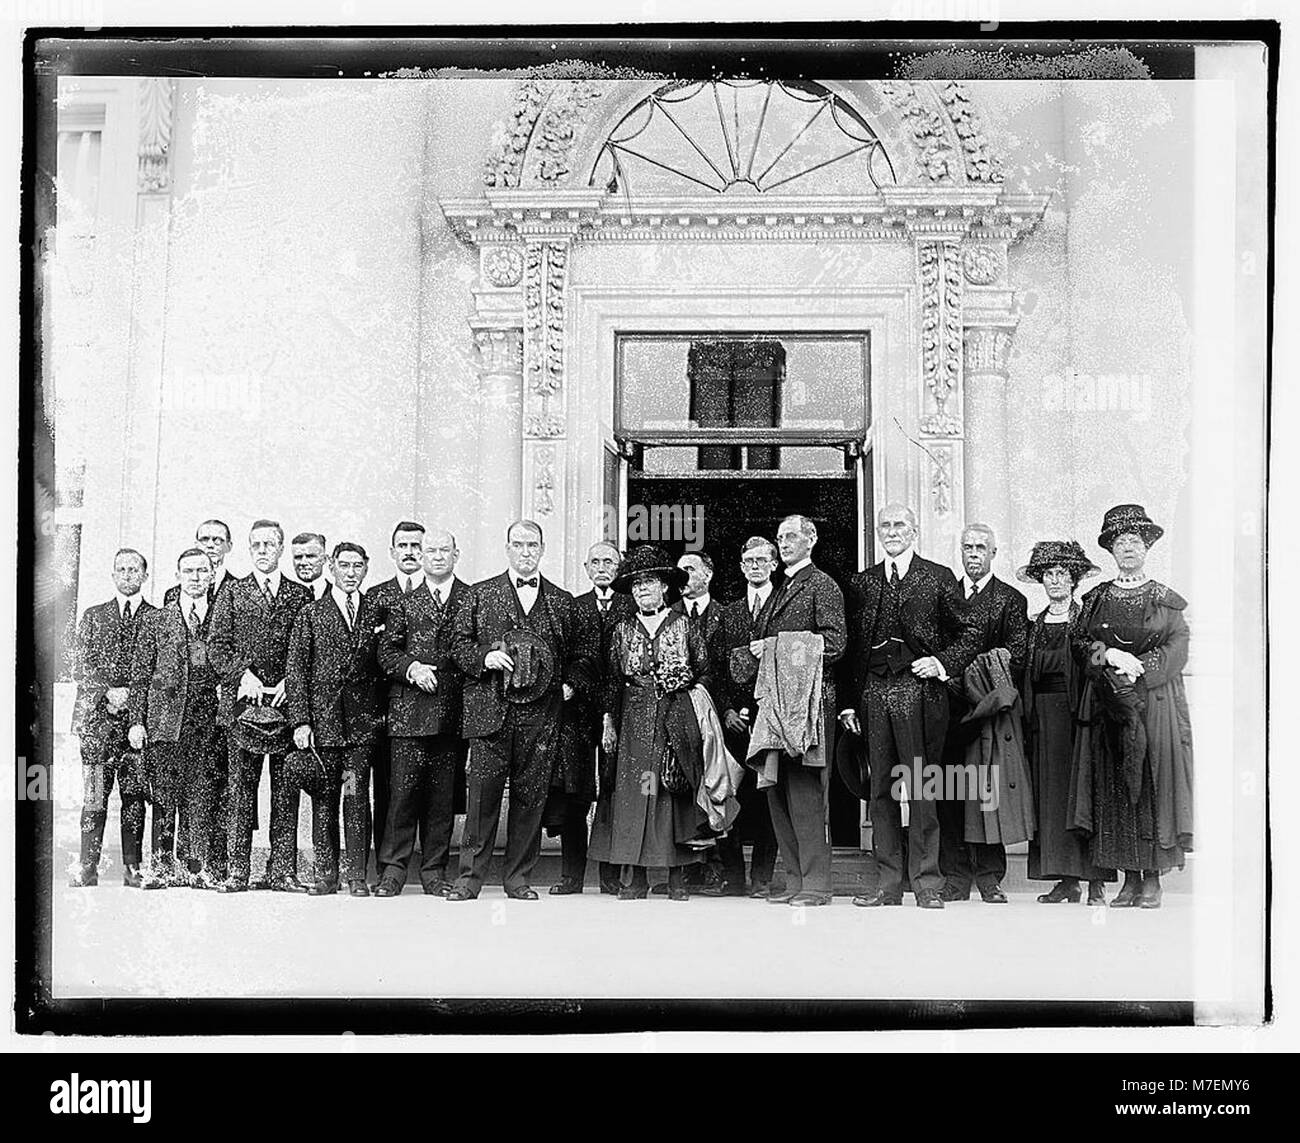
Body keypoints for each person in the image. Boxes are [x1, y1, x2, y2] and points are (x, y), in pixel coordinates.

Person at [841, 504, 979, 909]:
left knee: (922, 788)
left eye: (899, 524)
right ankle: (887, 885)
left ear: (914, 531)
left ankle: (927, 885)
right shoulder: (863, 583)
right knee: (879, 789)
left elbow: (970, 631)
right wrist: (849, 703)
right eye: (884, 524)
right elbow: (851, 649)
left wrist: (941, 663)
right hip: (873, 696)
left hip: (921, 694)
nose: (891, 531)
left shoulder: (937, 578)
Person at [447, 520, 585, 901]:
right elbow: (457, 645)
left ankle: (518, 879)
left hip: (541, 717)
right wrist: (484, 656)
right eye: (519, 545)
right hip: (490, 713)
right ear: (507, 548)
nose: (526, 552)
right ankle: (469, 880)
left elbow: (580, 656)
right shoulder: (479, 595)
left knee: (530, 798)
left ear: (542, 549)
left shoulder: (561, 600)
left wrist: (570, 684)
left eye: (533, 546)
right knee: (481, 799)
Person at [1070, 505, 1194, 909]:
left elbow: (1179, 643)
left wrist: (1145, 666)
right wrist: (1108, 656)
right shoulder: (1098, 598)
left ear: (1147, 547)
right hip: (1109, 704)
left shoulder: (1163, 598)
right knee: (1115, 784)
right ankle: (1128, 878)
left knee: (1151, 783)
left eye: (1134, 542)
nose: (1128, 548)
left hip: (1153, 704)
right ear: (1111, 550)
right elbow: (1078, 643)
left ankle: (1153, 879)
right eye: (1120, 542)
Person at [589, 545, 713, 901]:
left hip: (673, 717)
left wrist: (687, 695)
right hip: (632, 719)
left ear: (664, 587)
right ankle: (637, 879)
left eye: (651, 582)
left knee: (670, 791)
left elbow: (705, 672)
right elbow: (611, 680)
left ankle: (676, 879)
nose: (643, 589)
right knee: (636, 794)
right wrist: (608, 723)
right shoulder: (622, 629)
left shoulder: (683, 625)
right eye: (638, 584)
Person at [208, 519, 311, 892]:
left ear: (281, 549)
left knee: (285, 792)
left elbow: (305, 649)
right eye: (257, 545)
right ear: (249, 549)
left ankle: (282, 870)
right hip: (242, 710)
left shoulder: (299, 596)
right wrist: (242, 675)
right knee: (240, 790)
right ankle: (238, 871)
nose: (263, 551)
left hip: (285, 707)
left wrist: (289, 681)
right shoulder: (232, 593)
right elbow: (216, 645)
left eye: (270, 544)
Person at [748, 515, 846, 907]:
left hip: (809, 706)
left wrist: (775, 645)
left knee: (805, 796)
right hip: (777, 707)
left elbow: (835, 643)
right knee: (778, 795)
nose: (783, 542)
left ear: (812, 539)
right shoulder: (781, 588)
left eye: (791, 536)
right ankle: (794, 881)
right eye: (780, 537)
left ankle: (817, 885)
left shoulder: (822, 584)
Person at [286, 542, 387, 897]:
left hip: (361, 731)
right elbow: (296, 671)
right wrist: (301, 721)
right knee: (325, 801)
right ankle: (326, 875)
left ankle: (357, 876)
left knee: (356, 798)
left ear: (366, 568)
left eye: (357, 566)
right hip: (324, 729)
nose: (350, 572)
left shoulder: (377, 612)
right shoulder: (311, 615)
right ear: (331, 567)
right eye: (343, 565)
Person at [1016, 539, 1113, 905]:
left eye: (1062, 574)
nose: (1055, 581)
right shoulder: (1035, 625)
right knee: (1050, 800)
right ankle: (1065, 881)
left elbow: (1100, 660)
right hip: (1042, 720)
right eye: (1049, 575)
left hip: (1080, 720)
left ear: (1074, 580)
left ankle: (1095, 883)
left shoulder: (1087, 622)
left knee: (1083, 795)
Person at [938, 523, 1030, 904]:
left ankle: (990, 876)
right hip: (949, 708)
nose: (973, 553)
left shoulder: (1010, 599)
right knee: (947, 789)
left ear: (994, 553)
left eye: (980, 547)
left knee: (987, 792)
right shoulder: (944, 596)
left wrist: (978, 681)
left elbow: (1017, 656)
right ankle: (955, 877)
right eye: (967, 547)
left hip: (990, 711)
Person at [374, 529, 469, 898]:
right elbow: (386, 652)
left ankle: (434, 872)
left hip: (451, 716)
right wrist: (412, 668)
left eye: (444, 550)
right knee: (402, 797)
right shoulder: (403, 601)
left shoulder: (470, 597)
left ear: (456, 555)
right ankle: (393, 870)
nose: (437, 556)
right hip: (409, 715)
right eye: (431, 551)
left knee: (442, 800)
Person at [128, 548, 222, 889]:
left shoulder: (219, 617)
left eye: (202, 571)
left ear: (212, 575)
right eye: (188, 571)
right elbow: (140, 674)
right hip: (165, 723)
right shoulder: (156, 620)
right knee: (164, 797)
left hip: (206, 724)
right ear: (177, 575)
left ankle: (195, 869)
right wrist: (136, 721)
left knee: (198, 798)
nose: (195, 577)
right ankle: (163, 868)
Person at [547, 541, 631, 895]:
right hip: (577, 713)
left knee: (614, 791)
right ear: (585, 567)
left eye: (608, 561)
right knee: (575, 793)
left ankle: (611, 875)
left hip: (622, 711)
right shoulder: (572, 606)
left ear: (620, 566)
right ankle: (572, 875)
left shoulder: (631, 604)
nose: (601, 567)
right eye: (594, 561)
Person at [68, 549, 155, 888]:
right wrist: (107, 691)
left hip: (136, 724)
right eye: (121, 569)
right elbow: (80, 664)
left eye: (134, 570)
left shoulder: (156, 617)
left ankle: (132, 868)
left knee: (134, 797)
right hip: (96, 724)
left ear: (144, 576)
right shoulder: (93, 616)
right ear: (112, 574)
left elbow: (160, 671)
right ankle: (87, 867)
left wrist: (132, 698)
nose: (127, 575)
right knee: (94, 797)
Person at [162, 518, 242, 880]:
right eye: (204, 539)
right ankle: (184, 863)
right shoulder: (171, 596)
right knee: (182, 784)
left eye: (217, 540)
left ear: (227, 547)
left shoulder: (238, 591)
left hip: (220, 705)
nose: (211, 544)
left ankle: (217, 863)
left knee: (218, 785)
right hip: (183, 708)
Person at [710, 536, 781, 897]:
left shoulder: (785, 606)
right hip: (734, 726)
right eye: (748, 561)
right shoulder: (728, 613)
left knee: (770, 797)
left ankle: (764, 877)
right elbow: (717, 669)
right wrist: (724, 710)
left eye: (761, 560)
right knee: (729, 792)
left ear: (774, 564)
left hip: (773, 721)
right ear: (740, 567)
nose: (754, 566)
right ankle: (734, 876)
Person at [363, 521, 429, 868]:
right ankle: (387, 866)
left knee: (430, 791)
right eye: (402, 546)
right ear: (392, 552)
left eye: (416, 546)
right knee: (387, 789)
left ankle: (426, 864)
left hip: (430, 706)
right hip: (386, 709)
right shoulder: (377, 595)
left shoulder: (438, 591)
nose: (409, 552)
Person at [291, 532, 330, 600]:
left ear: (324, 559)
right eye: (298, 557)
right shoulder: (283, 593)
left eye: (310, 556)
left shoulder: (337, 593)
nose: (303, 563)